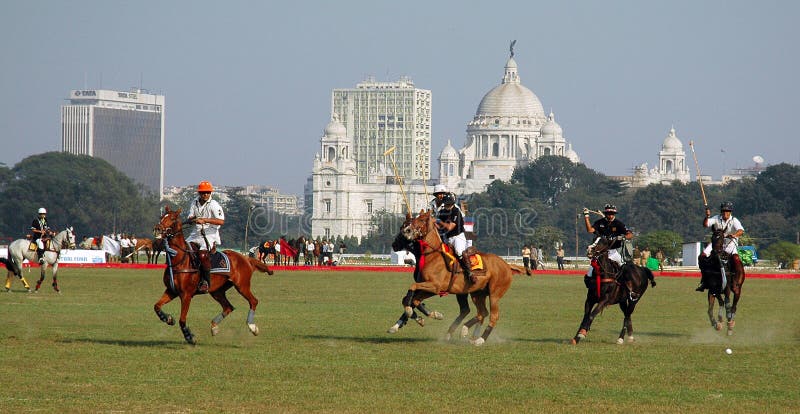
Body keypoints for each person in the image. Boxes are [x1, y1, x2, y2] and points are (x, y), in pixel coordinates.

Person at [186, 180, 225, 293]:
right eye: (203, 193)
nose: (205, 195)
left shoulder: (214, 204)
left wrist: (205, 220)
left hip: (210, 233)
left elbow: (221, 221)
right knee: (183, 249)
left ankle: (206, 281)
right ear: (199, 193)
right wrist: (193, 220)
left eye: (207, 192)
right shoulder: (194, 202)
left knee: (202, 255)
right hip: (196, 232)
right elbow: (190, 217)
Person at [696, 201, 744, 292]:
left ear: (730, 212)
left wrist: (734, 235)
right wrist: (707, 216)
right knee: (701, 256)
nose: (725, 213)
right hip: (717, 243)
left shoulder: (734, 220)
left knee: (736, 259)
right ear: (721, 211)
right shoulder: (716, 218)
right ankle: (704, 280)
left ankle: (736, 280)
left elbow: (741, 230)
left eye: (727, 211)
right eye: (724, 211)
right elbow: (705, 224)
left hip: (730, 243)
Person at [583, 204, 632, 279]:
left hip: (613, 252)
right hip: (600, 253)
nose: (611, 216)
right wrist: (586, 217)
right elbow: (590, 230)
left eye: (612, 214)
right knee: (589, 274)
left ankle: (628, 289)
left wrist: (623, 237)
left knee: (625, 270)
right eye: (608, 214)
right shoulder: (599, 223)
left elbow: (630, 234)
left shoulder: (618, 224)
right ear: (605, 214)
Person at [434, 193, 472, 282]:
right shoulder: (442, 211)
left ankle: (469, 272)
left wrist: (438, 221)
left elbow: (449, 227)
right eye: (446, 204)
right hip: (447, 238)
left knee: (459, 252)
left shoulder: (456, 211)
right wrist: (433, 223)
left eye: (448, 204)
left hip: (458, 237)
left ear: (452, 203)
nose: (447, 206)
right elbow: (439, 226)